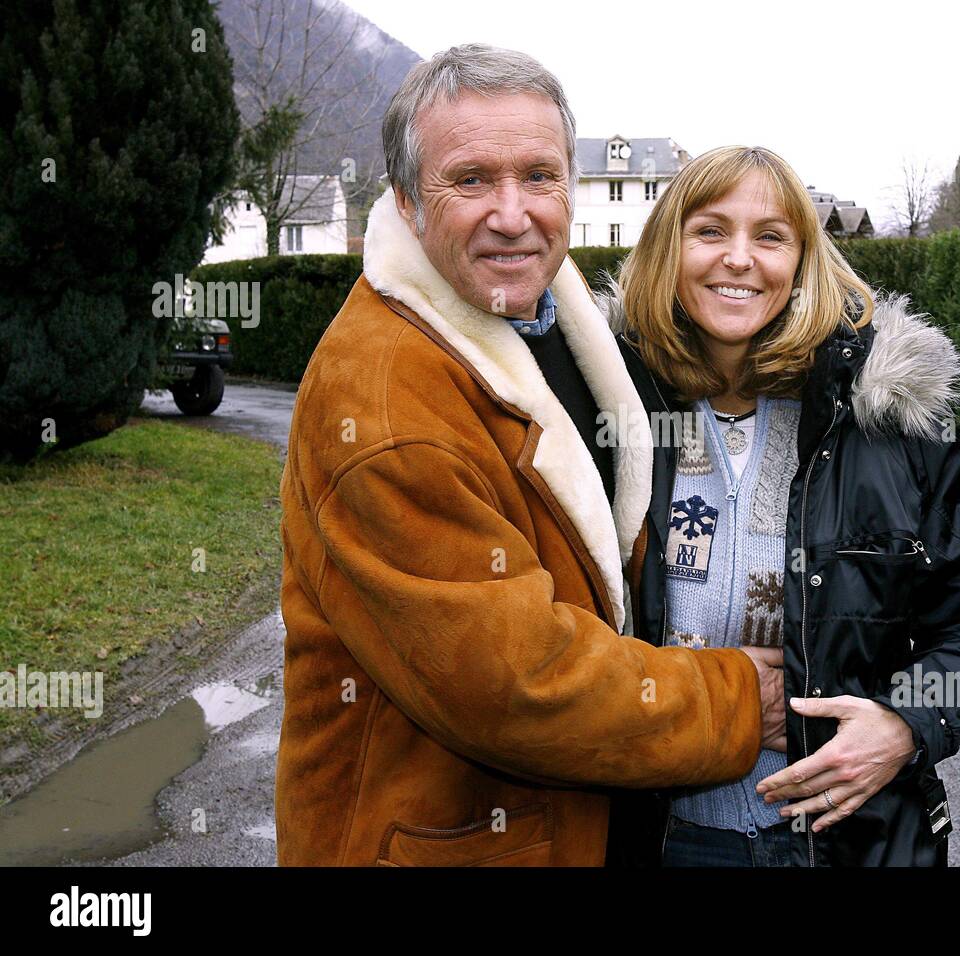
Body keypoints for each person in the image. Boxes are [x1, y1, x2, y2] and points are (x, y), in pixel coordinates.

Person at [274, 46, 786, 867]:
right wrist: (737, 702)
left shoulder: (549, 316)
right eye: (470, 179)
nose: (513, 214)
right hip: (442, 841)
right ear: (407, 202)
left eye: (540, 177)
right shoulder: (382, 404)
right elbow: (514, 685)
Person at [600, 145, 960, 866]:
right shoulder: (606, 410)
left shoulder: (889, 422)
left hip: (845, 841)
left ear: (804, 261)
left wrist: (906, 724)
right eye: (709, 231)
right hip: (658, 837)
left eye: (770, 236)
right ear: (667, 249)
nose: (739, 258)